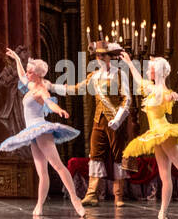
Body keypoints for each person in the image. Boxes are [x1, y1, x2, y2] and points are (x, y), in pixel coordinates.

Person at [119, 51, 178, 219]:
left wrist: (171, 96)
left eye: (150, 69)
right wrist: (130, 63)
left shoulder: (163, 91)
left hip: (164, 133)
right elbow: (139, 80)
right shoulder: (152, 88)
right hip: (155, 135)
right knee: (164, 176)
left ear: (158, 71)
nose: (147, 72)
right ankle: (163, 212)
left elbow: (167, 96)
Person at [0, 49, 85, 217]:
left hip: (41, 129)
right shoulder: (31, 85)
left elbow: (49, 103)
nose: (27, 74)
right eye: (28, 71)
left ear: (37, 75)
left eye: (31, 72)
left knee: (58, 166)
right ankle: (39, 205)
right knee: (42, 173)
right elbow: (21, 75)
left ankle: (75, 199)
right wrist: (16, 57)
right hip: (32, 132)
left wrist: (59, 110)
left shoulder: (41, 90)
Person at [49, 40, 133, 205]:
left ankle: (118, 195)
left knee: (118, 155)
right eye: (97, 55)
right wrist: (52, 87)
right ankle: (92, 194)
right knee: (95, 154)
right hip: (98, 120)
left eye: (103, 55)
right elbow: (77, 89)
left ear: (110, 57)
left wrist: (118, 119)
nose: (100, 58)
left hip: (115, 120)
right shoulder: (93, 76)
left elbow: (127, 99)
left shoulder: (119, 74)